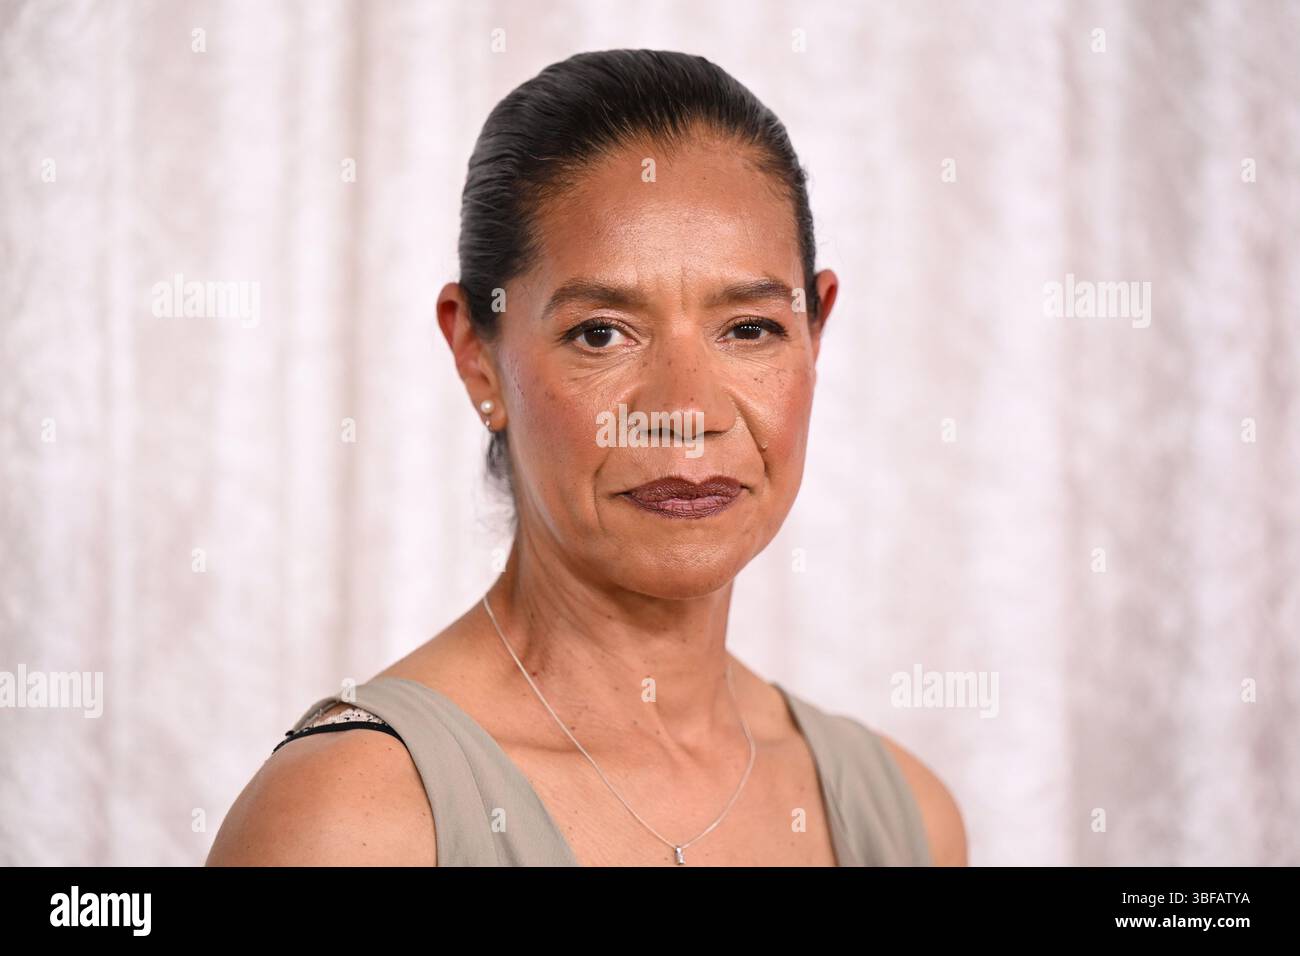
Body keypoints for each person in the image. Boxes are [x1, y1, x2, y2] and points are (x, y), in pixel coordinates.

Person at [207, 48, 966, 867]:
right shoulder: (352, 820)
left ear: (815, 331)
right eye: (601, 333)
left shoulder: (908, 820)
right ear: (478, 356)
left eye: (748, 329)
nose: (687, 412)